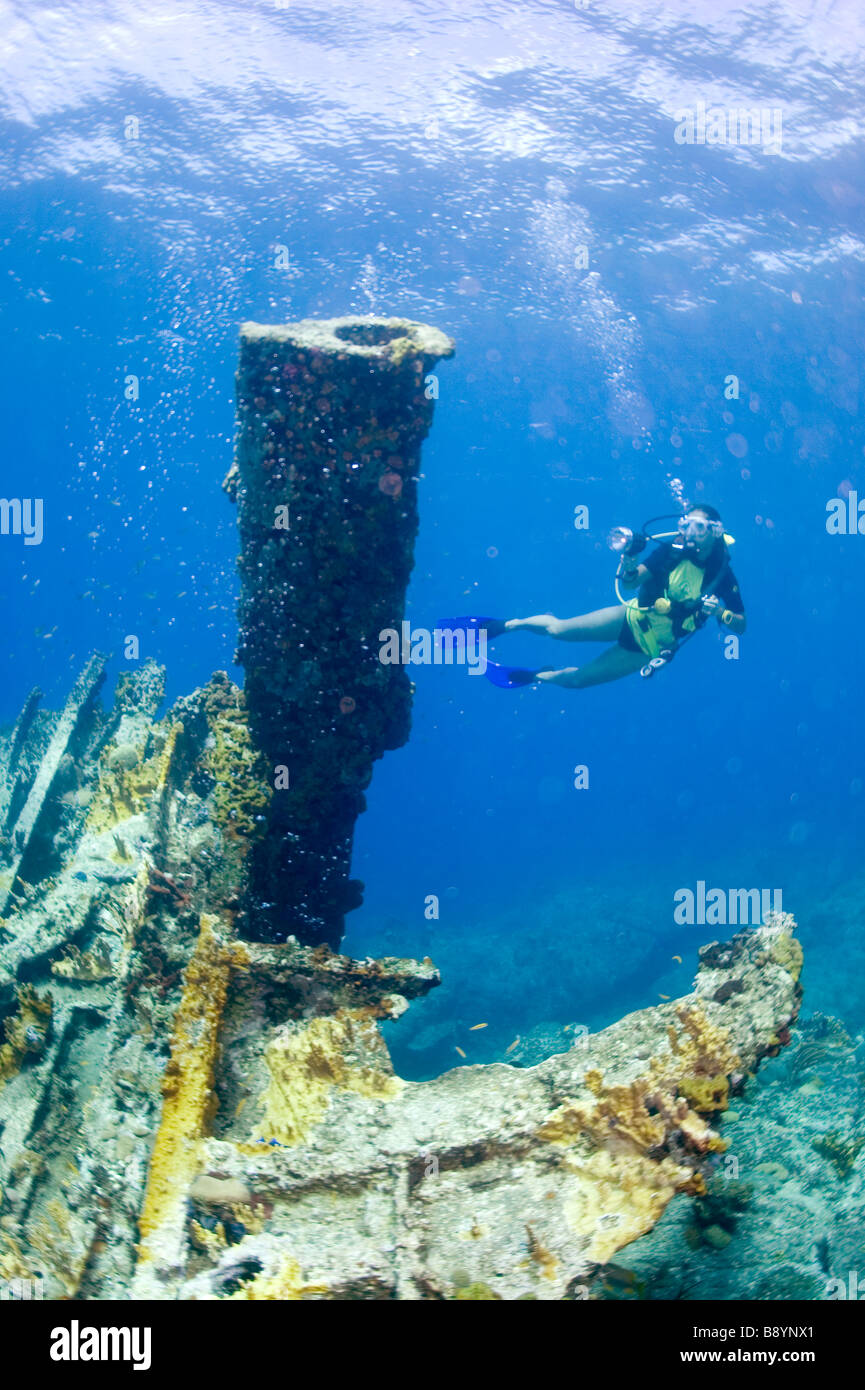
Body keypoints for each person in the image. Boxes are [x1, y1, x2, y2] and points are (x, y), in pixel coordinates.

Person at [450, 505, 746, 689]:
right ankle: (507, 625)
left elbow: (741, 624)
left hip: (647, 649)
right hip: (630, 617)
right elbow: (631, 584)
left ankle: (536, 677)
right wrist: (629, 562)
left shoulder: (721, 574)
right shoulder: (669, 552)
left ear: (715, 532)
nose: (689, 533)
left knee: (579, 680)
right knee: (558, 629)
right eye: (685, 525)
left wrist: (721, 613)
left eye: (699, 527)